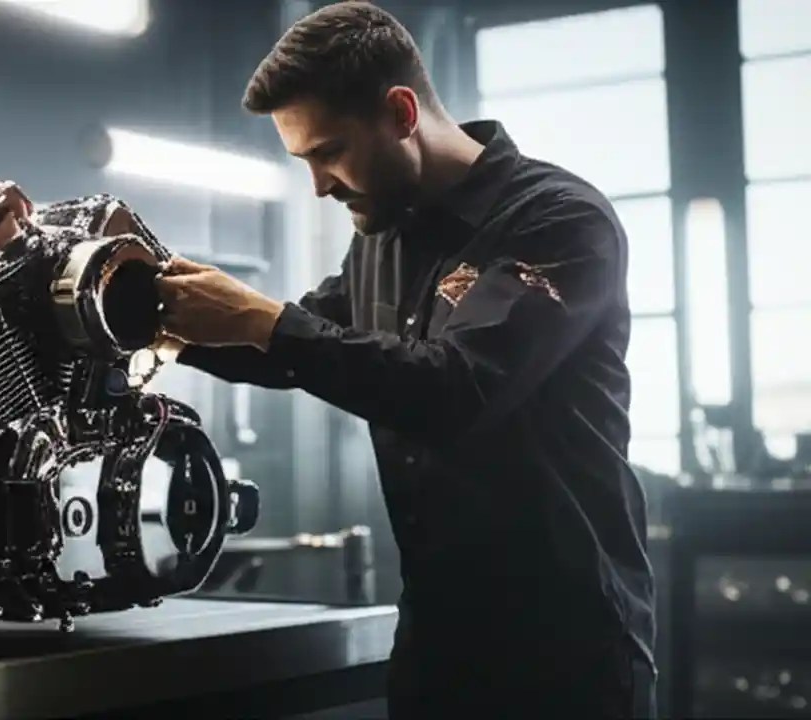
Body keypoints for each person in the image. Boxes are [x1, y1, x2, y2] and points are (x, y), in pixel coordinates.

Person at [154, 2, 657, 717]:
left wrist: (264, 323)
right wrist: (138, 303)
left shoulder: (559, 220)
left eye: (328, 152)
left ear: (400, 111)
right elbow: (293, 348)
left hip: (566, 653)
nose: (320, 185)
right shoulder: (381, 238)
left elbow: (458, 389)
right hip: (437, 645)